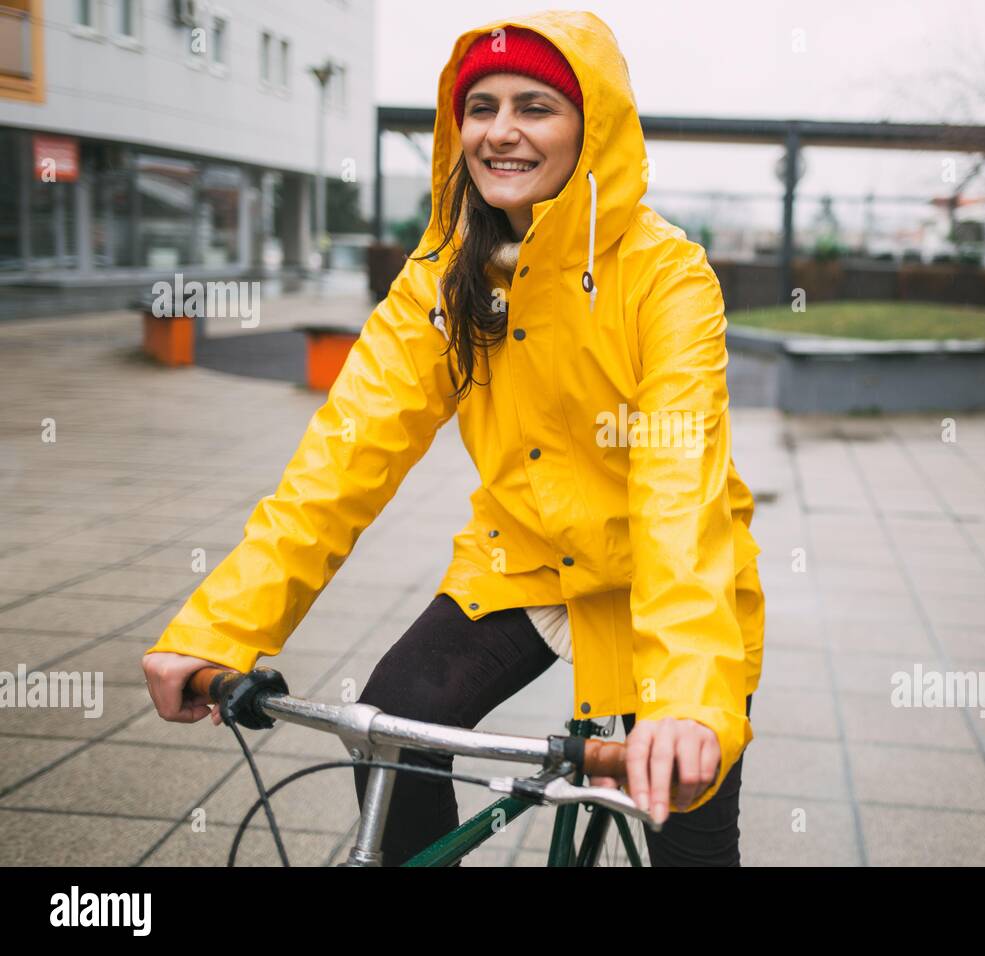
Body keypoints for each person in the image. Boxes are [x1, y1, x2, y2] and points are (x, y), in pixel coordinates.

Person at [141, 10, 765, 867]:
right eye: (480, 106)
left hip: (664, 579)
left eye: (536, 106)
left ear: (592, 127)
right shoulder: (440, 278)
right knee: (394, 730)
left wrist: (690, 695)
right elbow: (340, 459)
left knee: (688, 817)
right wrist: (218, 629)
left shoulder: (667, 278)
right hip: (524, 560)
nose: (500, 131)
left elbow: (678, 491)